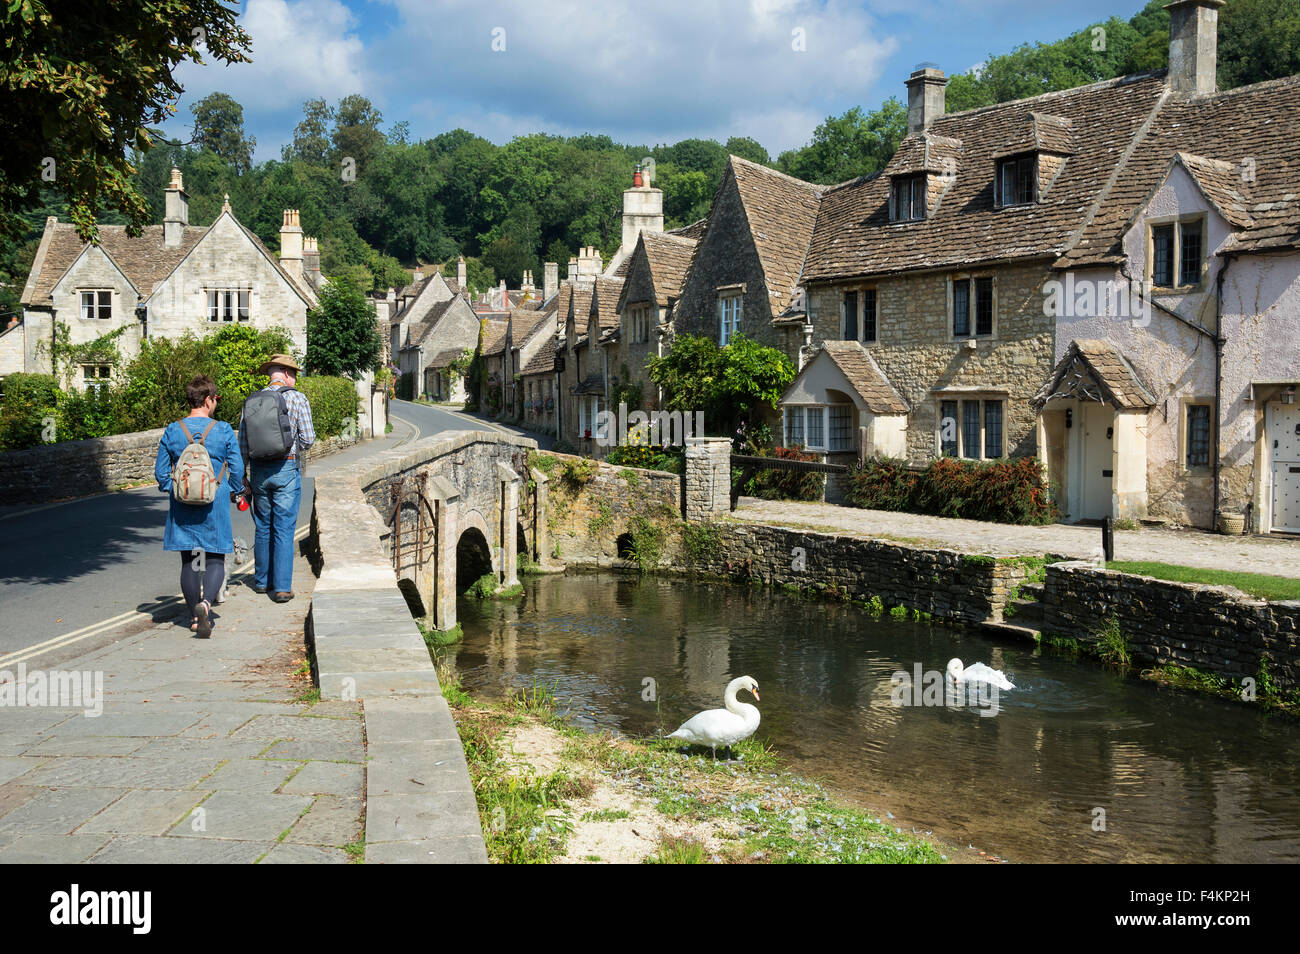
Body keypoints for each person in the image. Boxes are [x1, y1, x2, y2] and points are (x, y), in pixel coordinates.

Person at [155, 375, 244, 638]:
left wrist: (175, 490)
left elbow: (161, 474)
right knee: (215, 557)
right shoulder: (223, 430)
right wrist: (237, 491)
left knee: (192, 560)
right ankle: (206, 604)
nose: (215, 404)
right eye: (215, 399)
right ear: (207, 400)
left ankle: (194, 618)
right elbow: (237, 468)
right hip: (214, 501)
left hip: (183, 504)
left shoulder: (173, 430)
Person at [239, 354, 315, 603]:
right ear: (284, 372)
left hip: (259, 472)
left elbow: (243, 441)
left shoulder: (252, 400)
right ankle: (282, 588)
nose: (295, 377)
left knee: (263, 526)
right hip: (285, 468)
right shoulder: (297, 398)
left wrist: (243, 475)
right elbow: (308, 439)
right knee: (283, 528)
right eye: (293, 372)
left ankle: (262, 581)